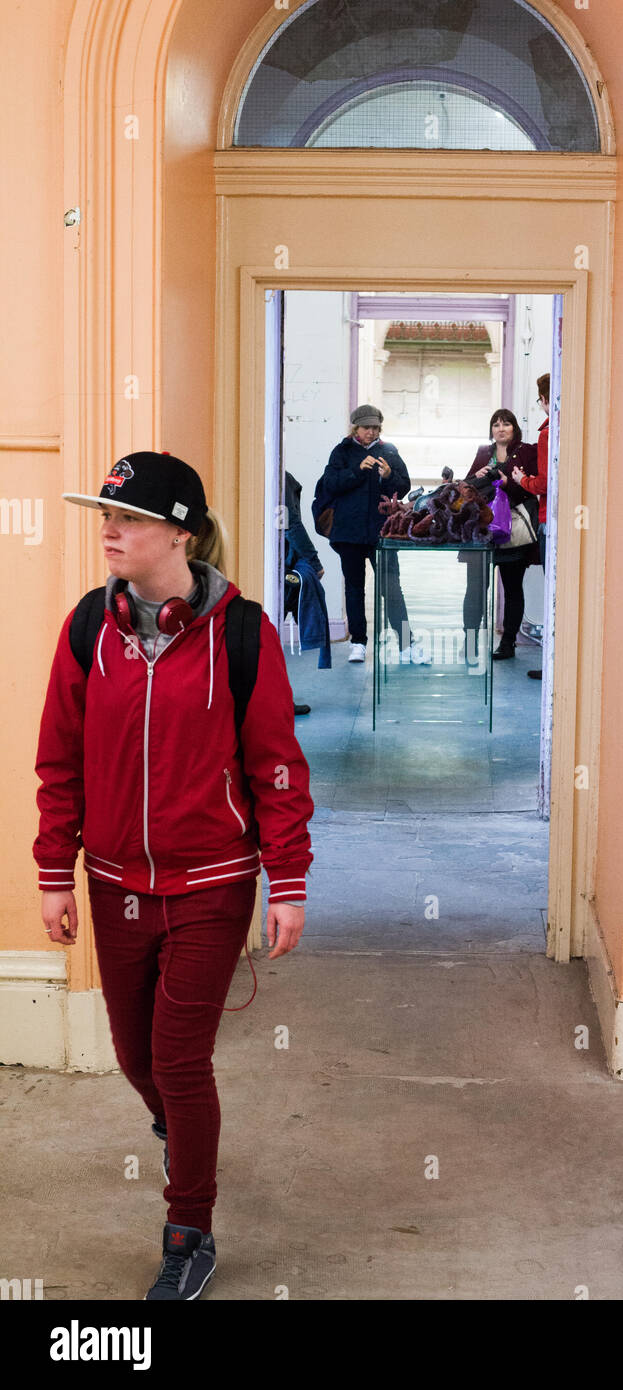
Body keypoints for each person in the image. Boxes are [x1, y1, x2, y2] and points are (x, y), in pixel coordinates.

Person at [34, 451, 314, 1300]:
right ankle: (178, 1131)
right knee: (132, 1053)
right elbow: (60, 759)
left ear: (179, 534)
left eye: (128, 519)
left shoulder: (241, 631)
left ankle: (188, 1231)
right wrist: (55, 869)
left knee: (180, 1059)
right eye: (104, 517)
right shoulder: (90, 628)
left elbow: (275, 764)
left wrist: (287, 879)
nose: (109, 531)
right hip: (114, 882)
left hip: (211, 884)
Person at [323, 404, 426, 663]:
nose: (371, 432)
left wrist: (389, 475)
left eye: (375, 428)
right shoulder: (342, 451)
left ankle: (405, 644)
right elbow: (331, 485)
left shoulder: (388, 451)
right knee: (355, 589)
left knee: (392, 588)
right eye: (366, 427)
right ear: (355, 427)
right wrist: (357, 470)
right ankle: (357, 642)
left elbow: (404, 486)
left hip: (383, 533)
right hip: (348, 532)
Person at [462, 408, 538, 661]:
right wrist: (477, 477)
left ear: (514, 428)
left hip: (512, 528)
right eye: (496, 424)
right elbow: (466, 488)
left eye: (506, 424)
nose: (501, 428)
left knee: (513, 587)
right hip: (482, 529)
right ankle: (470, 639)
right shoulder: (484, 453)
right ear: (491, 430)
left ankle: (508, 643)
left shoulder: (527, 451)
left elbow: (534, 486)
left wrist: (508, 484)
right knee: (475, 587)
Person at [513, 374, 550, 680]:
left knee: (554, 591)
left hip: (548, 517)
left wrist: (521, 480)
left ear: (545, 400)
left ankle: (550, 661)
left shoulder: (547, 434)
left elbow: (544, 482)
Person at [282, 469, 327, 712]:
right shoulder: (281, 477)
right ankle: (278, 699)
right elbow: (292, 523)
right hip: (280, 560)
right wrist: (314, 562)